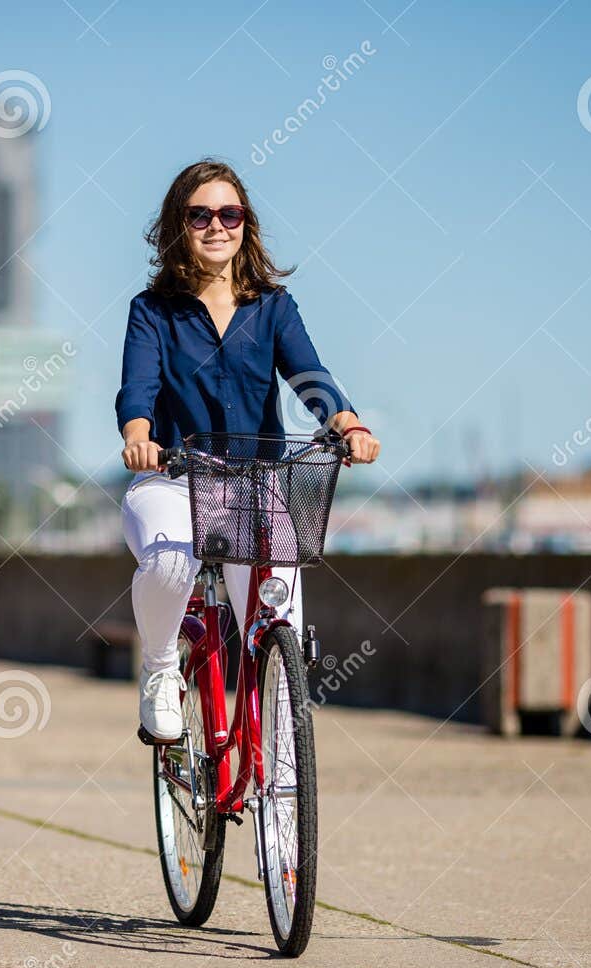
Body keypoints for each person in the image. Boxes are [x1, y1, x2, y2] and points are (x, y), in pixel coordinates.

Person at [116, 159, 381, 741]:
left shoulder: (273, 307)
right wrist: (140, 439)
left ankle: (281, 794)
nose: (217, 226)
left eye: (230, 213)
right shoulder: (153, 311)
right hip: (173, 479)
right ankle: (161, 670)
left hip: (253, 484)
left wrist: (348, 423)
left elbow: (309, 374)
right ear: (178, 226)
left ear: (246, 224)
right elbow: (138, 389)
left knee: (277, 621)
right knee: (170, 560)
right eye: (200, 215)